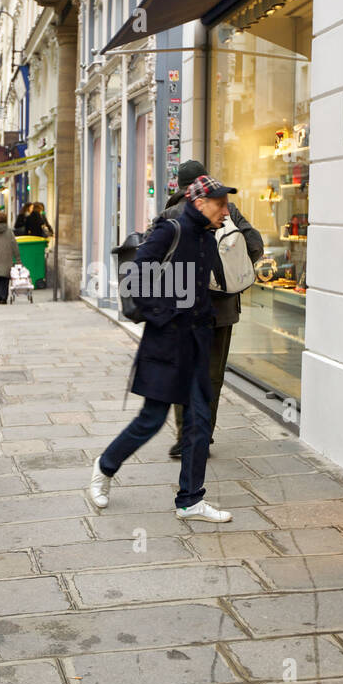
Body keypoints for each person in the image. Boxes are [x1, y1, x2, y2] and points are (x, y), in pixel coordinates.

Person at [86, 175, 236, 524]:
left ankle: (190, 499)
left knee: (199, 422)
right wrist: (164, 316)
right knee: (151, 420)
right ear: (200, 202)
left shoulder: (207, 236)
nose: (226, 211)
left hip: (198, 342)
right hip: (165, 342)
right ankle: (104, 468)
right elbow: (135, 277)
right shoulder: (172, 230)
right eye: (220, 204)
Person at [160, 160, 263, 458]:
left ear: (180, 187)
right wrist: (228, 273)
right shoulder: (226, 210)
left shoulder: (170, 214)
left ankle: (185, 437)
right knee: (212, 376)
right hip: (222, 310)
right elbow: (255, 245)